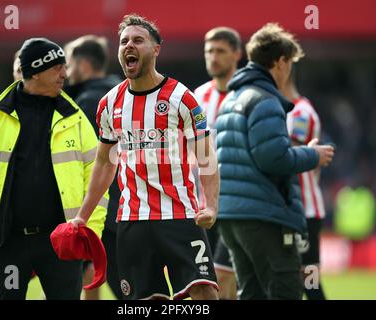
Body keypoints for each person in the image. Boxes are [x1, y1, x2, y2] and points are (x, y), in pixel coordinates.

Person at [70, 14, 220, 300]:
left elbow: (206, 157)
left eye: (138, 40)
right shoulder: (109, 104)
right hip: (132, 221)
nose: (129, 45)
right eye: (124, 41)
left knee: (204, 293)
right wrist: (83, 216)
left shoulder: (181, 98)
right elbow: (104, 162)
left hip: (181, 216)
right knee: (145, 301)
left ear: (155, 49)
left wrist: (210, 206)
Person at [0, 38, 108, 300]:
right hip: (9, 243)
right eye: (57, 67)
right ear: (34, 71)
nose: (65, 73)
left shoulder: (76, 118)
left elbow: (96, 181)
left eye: (64, 66)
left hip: (63, 242)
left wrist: (89, 236)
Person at [215, 23, 335, 300]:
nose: (289, 70)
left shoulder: (230, 99)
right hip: (263, 216)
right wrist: (312, 154)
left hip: (231, 215)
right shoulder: (265, 100)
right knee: (286, 288)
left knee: (252, 292)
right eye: (289, 63)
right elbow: (273, 158)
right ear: (280, 62)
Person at [64, 34, 122, 300]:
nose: (65, 71)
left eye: (69, 64)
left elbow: (81, 161)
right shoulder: (122, 96)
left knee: (84, 277)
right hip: (129, 205)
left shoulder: (86, 104)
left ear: (84, 66)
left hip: (99, 207)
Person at [194, 26, 242, 300]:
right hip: (201, 204)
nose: (213, 57)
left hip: (235, 202)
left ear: (237, 54)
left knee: (224, 278)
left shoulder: (247, 96)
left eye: (220, 51)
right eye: (209, 51)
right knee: (205, 280)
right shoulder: (197, 98)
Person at [281, 70, 328, 300]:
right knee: (290, 280)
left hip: (305, 211)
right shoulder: (284, 109)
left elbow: (287, 153)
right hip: (292, 209)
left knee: (309, 281)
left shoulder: (300, 113)